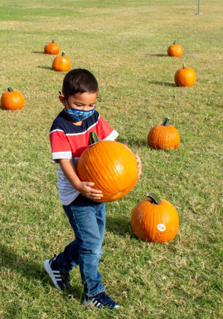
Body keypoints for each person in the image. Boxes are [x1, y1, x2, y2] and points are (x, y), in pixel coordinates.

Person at [43, 69, 141, 310]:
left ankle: (58, 265)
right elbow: (64, 161)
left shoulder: (94, 118)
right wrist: (78, 185)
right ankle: (93, 293)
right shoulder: (59, 128)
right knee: (91, 245)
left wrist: (129, 160)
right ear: (63, 99)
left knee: (91, 240)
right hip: (77, 195)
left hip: (98, 190)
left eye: (90, 105)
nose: (85, 110)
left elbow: (111, 146)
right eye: (78, 105)